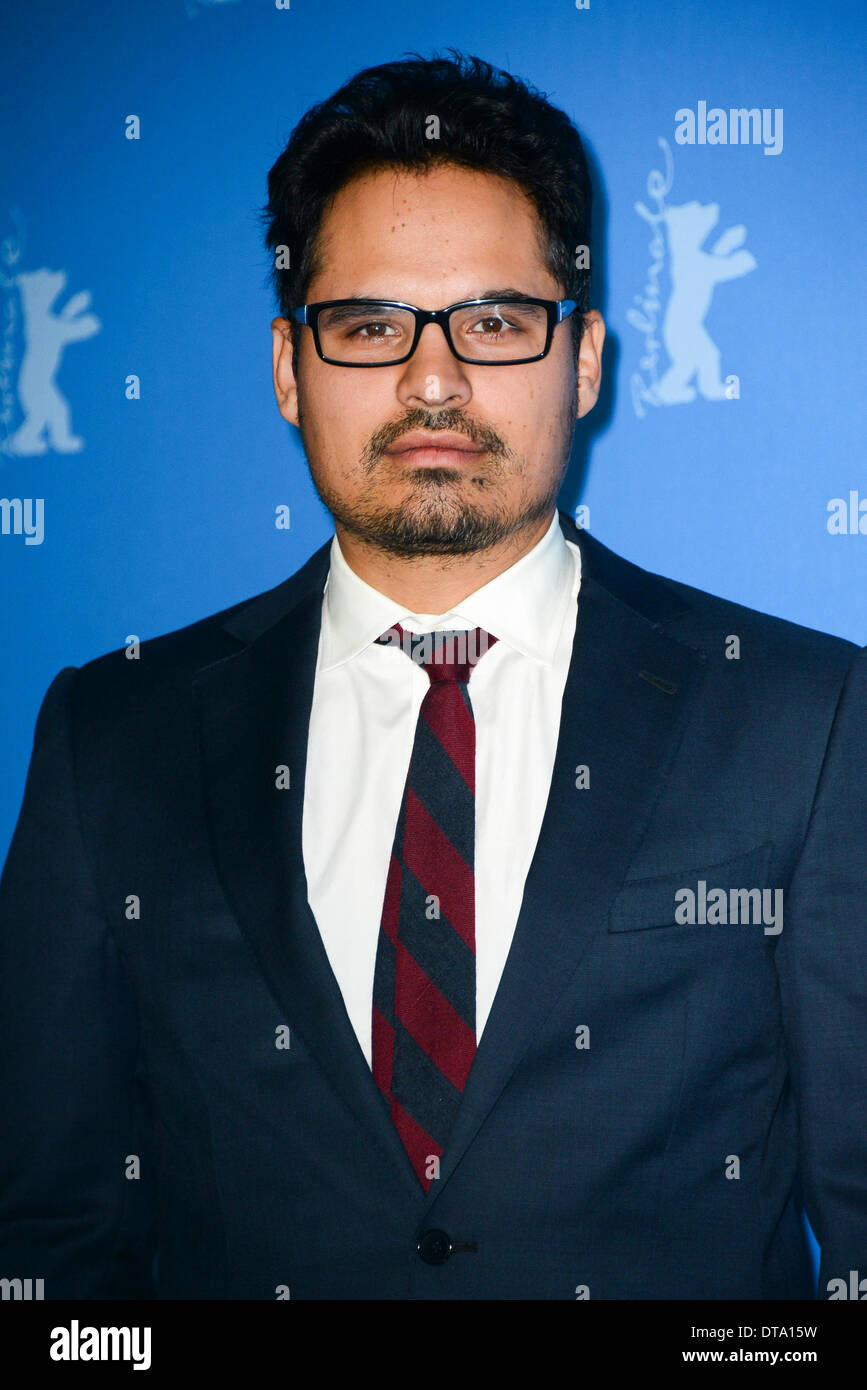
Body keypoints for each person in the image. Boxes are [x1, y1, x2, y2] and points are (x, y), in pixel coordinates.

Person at [1, 51, 865, 1301]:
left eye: (497, 322)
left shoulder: (806, 715)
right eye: (368, 326)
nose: (433, 381)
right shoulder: (115, 734)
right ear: (292, 370)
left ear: (584, 361)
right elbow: (46, 1226)